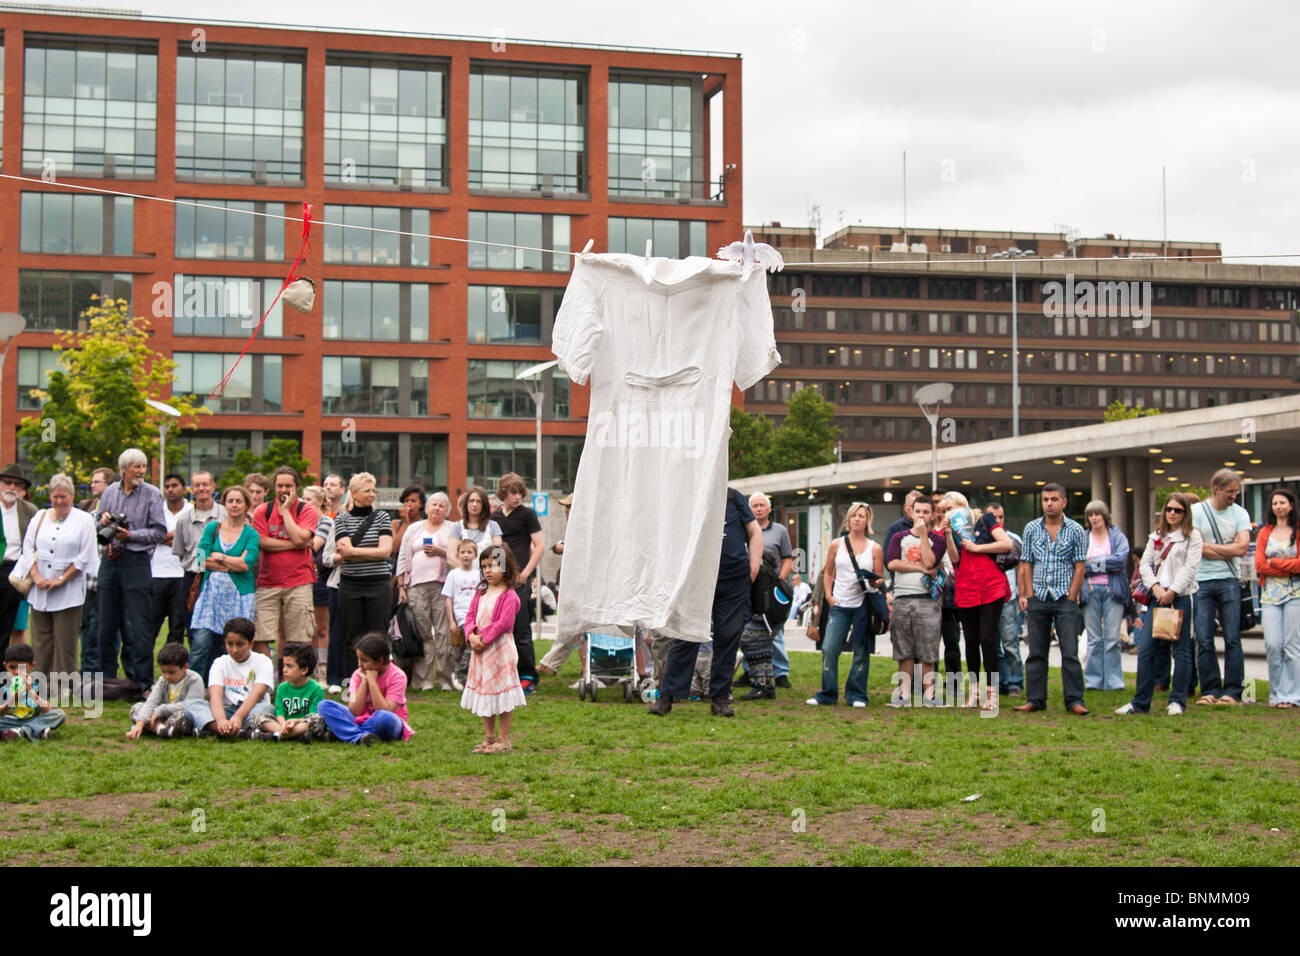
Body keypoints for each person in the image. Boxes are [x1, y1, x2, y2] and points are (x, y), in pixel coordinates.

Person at [649, 487, 762, 717]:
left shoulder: (732, 496)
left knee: (728, 637)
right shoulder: (688, 495)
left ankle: (720, 698)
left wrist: (753, 567)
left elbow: (755, 532)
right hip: (696, 579)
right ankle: (668, 696)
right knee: (685, 636)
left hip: (733, 580)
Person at [1116, 493, 1202, 716]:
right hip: (1156, 597)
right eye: (1169, 509)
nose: (1172, 513)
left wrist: (1173, 591)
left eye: (1178, 510)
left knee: (1181, 650)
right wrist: (1156, 588)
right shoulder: (1156, 535)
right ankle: (1140, 702)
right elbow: (1145, 564)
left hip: (1180, 598)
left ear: (1185, 513)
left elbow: (1190, 568)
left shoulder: (1192, 537)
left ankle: (1177, 701)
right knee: (1146, 650)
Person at [1015, 483, 1089, 715]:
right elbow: (1026, 562)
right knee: (1036, 652)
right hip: (1038, 597)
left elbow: (1080, 566)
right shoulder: (1031, 528)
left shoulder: (1075, 530)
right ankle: (1035, 699)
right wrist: (1028, 594)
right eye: (1046, 499)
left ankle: (1074, 700)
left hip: (1064, 598)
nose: (1049, 503)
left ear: (1064, 502)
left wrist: (1072, 596)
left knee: (1070, 652)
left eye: (1054, 499)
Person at [96, 449, 167, 688]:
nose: (141, 471)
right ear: (124, 469)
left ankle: (141, 681)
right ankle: (106, 679)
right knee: (105, 623)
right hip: (109, 560)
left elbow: (159, 531)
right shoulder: (108, 492)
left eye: (144, 466)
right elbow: (97, 525)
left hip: (137, 563)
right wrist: (103, 522)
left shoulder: (152, 494)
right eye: (136, 466)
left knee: (139, 625)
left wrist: (131, 535)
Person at [17, 473, 98, 678]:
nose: (59, 501)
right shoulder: (39, 517)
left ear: (71, 496)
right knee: (40, 640)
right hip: (40, 588)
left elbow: (86, 555)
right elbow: (28, 548)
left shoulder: (84, 520)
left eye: (64, 496)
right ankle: (38, 682)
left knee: (65, 641)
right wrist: (36, 576)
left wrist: (61, 580)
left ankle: (64, 684)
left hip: (68, 590)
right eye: (55, 497)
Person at [807, 502, 884, 708]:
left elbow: (879, 579)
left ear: (868, 520)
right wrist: (829, 596)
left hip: (863, 604)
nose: (857, 519)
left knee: (861, 650)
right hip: (839, 603)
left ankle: (857, 694)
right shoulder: (836, 544)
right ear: (849, 519)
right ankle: (827, 693)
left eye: (861, 516)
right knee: (829, 647)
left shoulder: (875, 548)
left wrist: (874, 581)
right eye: (854, 516)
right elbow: (828, 572)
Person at [942, 491, 1012, 710]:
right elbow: (955, 559)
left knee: (987, 639)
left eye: (950, 508)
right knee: (971, 640)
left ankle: (991, 693)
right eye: (944, 510)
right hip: (966, 584)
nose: (948, 513)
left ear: (962, 505)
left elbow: (1006, 543)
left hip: (990, 584)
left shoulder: (985, 520)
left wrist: (978, 548)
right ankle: (974, 692)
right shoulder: (951, 529)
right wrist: (947, 535)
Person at [1190, 469, 1252, 706]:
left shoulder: (1240, 514)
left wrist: (1211, 546)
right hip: (1201, 580)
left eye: (1236, 491)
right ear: (1216, 489)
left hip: (1229, 579)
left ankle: (1233, 691)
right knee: (1204, 638)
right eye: (1230, 491)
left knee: (1232, 637)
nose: (1234, 495)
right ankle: (1210, 689)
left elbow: (1242, 548)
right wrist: (1227, 547)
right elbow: (1196, 547)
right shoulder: (1197, 512)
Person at [188, 486, 259, 683]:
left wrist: (220, 558)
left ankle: (235, 686)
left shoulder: (251, 534)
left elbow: (246, 564)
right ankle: (194, 687)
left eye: (239, 501)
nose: (234, 505)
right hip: (210, 597)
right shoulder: (213, 529)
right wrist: (232, 562)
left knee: (236, 646)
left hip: (239, 597)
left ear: (246, 505)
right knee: (200, 644)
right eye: (230, 501)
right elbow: (201, 559)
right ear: (224, 504)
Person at [460, 545, 525, 753]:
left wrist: (483, 639)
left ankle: (503, 738)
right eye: (484, 566)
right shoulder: (481, 594)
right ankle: (488, 736)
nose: (488, 570)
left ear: (506, 567)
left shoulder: (509, 596)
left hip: (499, 651)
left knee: (502, 693)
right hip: (481, 652)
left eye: (493, 565)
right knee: (486, 692)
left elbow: (503, 623)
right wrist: (471, 636)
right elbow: (470, 617)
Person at [250, 465, 319, 659]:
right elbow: (262, 542)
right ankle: (266, 682)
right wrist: (297, 544)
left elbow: (300, 538)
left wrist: (287, 512)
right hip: (267, 582)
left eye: (288, 486)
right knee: (261, 635)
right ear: (274, 487)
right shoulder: (262, 511)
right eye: (279, 486)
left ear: (296, 486)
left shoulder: (306, 510)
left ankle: (294, 680)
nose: (283, 490)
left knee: (299, 636)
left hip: (299, 582)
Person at [886, 496, 947, 706]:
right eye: (918, 511)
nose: (921, 515)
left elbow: (931, 561)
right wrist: (919, 568)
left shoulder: (937, 540)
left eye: (925, 512)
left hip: (927, 601)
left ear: (932, 514)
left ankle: (930, 695)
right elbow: (892, 563)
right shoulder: (899, 537)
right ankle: (904, 694)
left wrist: (923, 537)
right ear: (911, 512)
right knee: (904, 650)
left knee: (928, 649)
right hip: (902, 598)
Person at [332, 473, 393, 680]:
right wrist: (371, 552)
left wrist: (353, 553)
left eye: (374, 490)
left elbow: (385, 551)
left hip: (378, 585)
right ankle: (354, 680)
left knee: (379, 634)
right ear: (354, 493)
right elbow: (343, 550)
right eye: (367, 490)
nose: (372, 495)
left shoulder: (382, 517)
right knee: (352, 636)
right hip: (351, 585)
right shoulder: (341, 519)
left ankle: (382, 679)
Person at [395, 492, 455, 691]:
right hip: (415, 586)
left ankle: (445, 679)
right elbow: (403, 556)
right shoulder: (414, 528)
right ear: (427, 508)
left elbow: (459, 555)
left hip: (443, 586)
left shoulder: (452, 529)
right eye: (434, 504)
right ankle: (424, 680)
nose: (437, 508)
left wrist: (441, 552)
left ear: (447, 510)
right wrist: (401, 585)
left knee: (444, 632)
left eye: (441, 505)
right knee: (422, 633)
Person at [490, 473, 543, 693]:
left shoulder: (528, 514)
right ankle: (504, 672)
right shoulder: (495, 517)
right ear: (504, 493)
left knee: (522, 628)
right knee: (500, 627)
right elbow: (496, 547)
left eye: (521, 492)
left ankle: (528, 674)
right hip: (502, 580)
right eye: (513, 492)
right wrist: (500, 574)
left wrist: (526, 573)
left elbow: (539, 546)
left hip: (521, 580)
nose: (518, 496)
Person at [182, 617, 276, 738]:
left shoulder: (263, 661)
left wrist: (238, 716)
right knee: (192, 705)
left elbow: (256, 695)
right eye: (229, 644)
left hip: (251, 711)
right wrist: (221, 719)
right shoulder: (219, 663)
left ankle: (213, 729)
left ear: (251, 643)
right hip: (225, 711)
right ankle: (228, 729)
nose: (234, 650)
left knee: (265, 709)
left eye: (240, 644)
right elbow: (215, 696)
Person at [738, 492, 795, 690]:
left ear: (769, 509)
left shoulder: (779, 530)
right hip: (749, 586)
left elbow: (788, 557)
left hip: (771, 587)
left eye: (762, 505)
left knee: (772, 630)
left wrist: (780, 579)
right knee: (748, 631)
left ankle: (780, 672)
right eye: (755, 505)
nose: (759, 508)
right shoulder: (743, 530)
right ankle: (750, 671)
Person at [318, 631, 413, 744]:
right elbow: (354, 710)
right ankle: (361, 736)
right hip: (360, 718)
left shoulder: (398, 676)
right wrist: (364, 683)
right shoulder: (356, 675)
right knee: (324, 705)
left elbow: (384, 709)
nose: (359, 664)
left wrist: (372, 683)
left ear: (380, 661)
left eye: (364, 660)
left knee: (384, 717)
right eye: (358, 659)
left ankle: (343, 732)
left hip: (388, 722)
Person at [171, 470, 225, 654]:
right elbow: (181, 552)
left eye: (205, 484)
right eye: (197, 485)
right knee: (195, 630)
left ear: (213, 487)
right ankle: (198, 678)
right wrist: (198, 566)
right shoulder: (183, 519)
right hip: (193, 579)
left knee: (220, 632)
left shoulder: (225, 515)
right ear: (191, 489)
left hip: (220, 577)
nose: (202, 489)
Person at [1255, 487, 1300, 708]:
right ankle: (1276, 694)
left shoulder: (1298, 530)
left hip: (1295, 594)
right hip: (1270, 595)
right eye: (1275, 503)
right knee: (1273, 644)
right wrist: (1289, 568)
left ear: (1291, 505)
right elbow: (1260, 565)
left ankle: (1291, 695)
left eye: (1282, 503)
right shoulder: (1265, 532)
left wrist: (1276, 564)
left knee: (1292, 646)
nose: (1278, 507)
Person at [1080, 500, 1131, 692]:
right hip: (1090, 592)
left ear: (1105, 516)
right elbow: (1079, 565)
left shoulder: (1117, 536)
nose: (1094, 518)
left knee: (1112, 639)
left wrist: (1094, 563)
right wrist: (1100, 564)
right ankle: (1093, 681)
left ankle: (1114, 682)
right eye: (1090, 515)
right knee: (1093, 639)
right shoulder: (1085, 538)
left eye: (1097, 514)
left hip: (1113, 592)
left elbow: (1119, 561)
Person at [537, 494, 584, 677]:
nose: (565, 510)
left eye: (569, 506)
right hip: (571, 583)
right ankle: (550, 663)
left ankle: (551, 663)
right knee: (571, 626)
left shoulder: (585, 527)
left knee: (575, 626)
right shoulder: (575, 527)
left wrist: (565, 548)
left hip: (580, 587)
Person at [77, 467, 118, 673]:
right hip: (87, 579)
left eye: (97, 481)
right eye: (92, 481)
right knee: (87, 626)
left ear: (109, 485)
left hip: (108, 578)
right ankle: (88, 670)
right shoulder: (86, 508)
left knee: (105, 627)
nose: (92, 485)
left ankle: (103, 670)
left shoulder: (117, 509)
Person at [0, 463, 39, 660]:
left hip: (16, 570)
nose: (12, 487)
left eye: (17, 484)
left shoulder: (29, 510)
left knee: (12, 624)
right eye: (8, 482)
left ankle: (10, 671)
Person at [126, 642, 206, 739]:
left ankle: (155, 728)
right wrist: (139, 725)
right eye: (163, 672)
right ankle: (162, 729)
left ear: (185, 667)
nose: (167, 676)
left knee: (184, 716)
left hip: (179, 715)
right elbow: (151, 701)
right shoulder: (163, 680)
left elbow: (190, 706)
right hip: (165, 717)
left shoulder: (195, 680)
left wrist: (161, 710)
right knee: (137, 708)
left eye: (172, 672)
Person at [987, 504, 1025, 697]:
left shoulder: (1013, 539)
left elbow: (1022, 569)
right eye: (994, 517)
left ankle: (1015, 683)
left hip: (1007, 598)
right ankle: (1000, 682)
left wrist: (1023, 594)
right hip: (988, 598)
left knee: (1010, 643)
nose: (998, 521)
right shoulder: (982, 540)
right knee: (993, 645)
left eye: (1001, 517)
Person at [149, 474, 190, 645]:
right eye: (167, 486)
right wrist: (180, 537)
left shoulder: (191, 511)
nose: (170, 490)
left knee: (177, 628)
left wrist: (164, 537)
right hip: (156, 573)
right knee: (150, 626)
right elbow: (151, 536)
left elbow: (195, 541)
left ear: (184, 488)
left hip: (182, 574)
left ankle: (173, 669)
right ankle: (142, 670)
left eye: (174, 485)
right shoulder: (156, 509)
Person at [257, 642, 326, 742]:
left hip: (302, 723)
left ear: (304, 670)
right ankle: (291, 734)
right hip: (284, 724)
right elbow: (279, 711)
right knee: (259, 716)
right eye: (284, 665)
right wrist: (283, 724)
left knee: (317, 719)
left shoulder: (316, 689)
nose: (284, 670)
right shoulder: (282, 688)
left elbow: (312, 714)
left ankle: (277, 735)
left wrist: (296, 721)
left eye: (289, 666)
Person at [0, 643, 66, 741]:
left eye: (22, 667)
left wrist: (30, 692)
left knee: (59, 714)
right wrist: (11, 701)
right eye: (12, 667)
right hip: (8, 720)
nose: (17, 672)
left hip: (31, 720)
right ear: (5, 666)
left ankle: (19, 732)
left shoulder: (38, 681)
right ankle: (37, 731)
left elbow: (47, 709)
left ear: (32, 666)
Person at [301, 484, 333, 681]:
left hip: (320, 578)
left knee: (321, 628)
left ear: (320, 502)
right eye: (302, 499)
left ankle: (322, 669)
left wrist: (298, 541)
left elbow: (312, 547)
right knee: (307, 629)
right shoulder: (302, 522)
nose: (304, 503)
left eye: (308, 499)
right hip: (304, 578)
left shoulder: (325, 521)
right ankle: (310, 668)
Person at [444, 539, 483, 656]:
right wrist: (451, 621)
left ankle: (467, 672)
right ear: (457, 555)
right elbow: (448, 598)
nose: (466, 555)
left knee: (472, 647)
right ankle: (460, 673)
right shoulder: (453, 574)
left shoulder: (479, 574)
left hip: (477, 616)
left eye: (469, 552)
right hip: (461, 617)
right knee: (465, 648)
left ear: (475, 555)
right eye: (463, 552)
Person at [447, 486, 503, 555]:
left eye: (478, 501)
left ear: (484, 505)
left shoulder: (493, 526)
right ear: (466, 503)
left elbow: (499, 557)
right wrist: (465, 566)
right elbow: (451, 557)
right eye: (471, 501)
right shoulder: (457, 527)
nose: (474, 504)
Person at [390, 484, 426, 557]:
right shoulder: (395, 524)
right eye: (406, 501)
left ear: (421, 504)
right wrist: (405, 523)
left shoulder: (425, 525)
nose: (409, 504)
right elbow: (394, 549)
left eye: (413, 501)